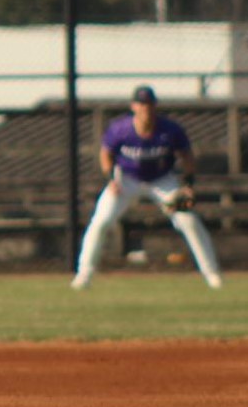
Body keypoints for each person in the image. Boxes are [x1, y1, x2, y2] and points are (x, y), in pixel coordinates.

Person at [71, 85, 223, 290]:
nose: (146, 108)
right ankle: (84, 274)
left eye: (149, 104)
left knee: (189, 221)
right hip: (126, 179)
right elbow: (106, 153)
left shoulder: (170, 129)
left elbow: (187, 156)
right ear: (134, 106)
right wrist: (110, 179)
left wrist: (187, 185)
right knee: (101, 221)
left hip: (161, 180)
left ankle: (211, 273)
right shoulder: (120, 129)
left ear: (155, 106)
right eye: (141, 104)